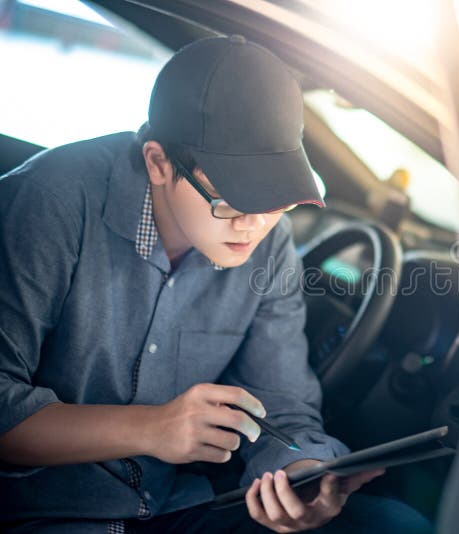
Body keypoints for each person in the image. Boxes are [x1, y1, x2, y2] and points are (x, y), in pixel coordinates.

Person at [0, 35, 432, 533]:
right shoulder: (48, 204)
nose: (255, 225)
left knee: (394, 525)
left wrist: (300, 477)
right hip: (42, 513)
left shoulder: (269, 244)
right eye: (232, 203)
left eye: (276, 202)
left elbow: (283, 407)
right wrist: (154, 428)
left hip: (177, 506)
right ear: (159, 163)